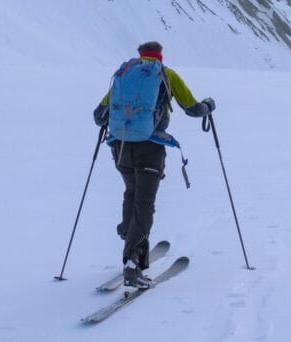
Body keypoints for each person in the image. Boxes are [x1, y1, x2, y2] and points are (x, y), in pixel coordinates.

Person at [92, 41, 215, 289]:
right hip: (150, 148)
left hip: (121, 148)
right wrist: (209, 106)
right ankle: (133, 261)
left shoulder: (124, 74)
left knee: (132, 192)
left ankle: (129, 235)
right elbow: (192, 109)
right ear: (160, 56)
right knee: (144, 202)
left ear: (140, 56)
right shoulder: (166, 74)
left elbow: (99, 116)